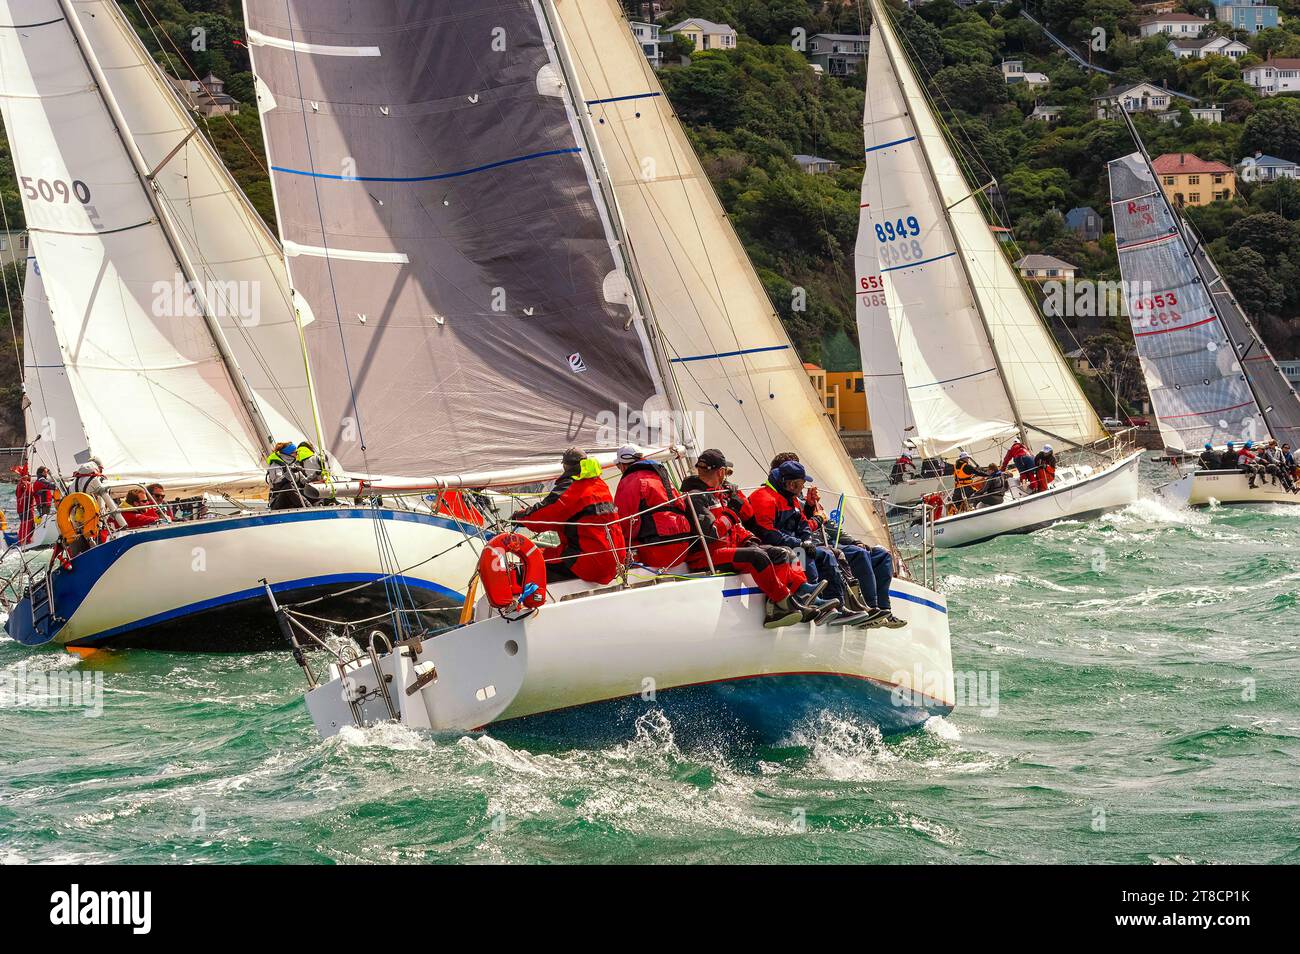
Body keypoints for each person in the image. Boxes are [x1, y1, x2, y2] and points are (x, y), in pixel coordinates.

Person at [679, 463, 814, 628]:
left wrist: (749, 539)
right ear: (721, 472)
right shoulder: (697, 497)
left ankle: (789, 600)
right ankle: (788, 601)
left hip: (730, 548)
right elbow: (711, 535)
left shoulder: (720, 495)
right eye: (726, 473)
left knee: (784, 553)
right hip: (706, 555)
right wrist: (732, 511)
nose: (727, 477)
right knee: (767, 556)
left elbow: (742, 523)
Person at [514, 448, 625, 585]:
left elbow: (543, 516)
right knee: (548, 553)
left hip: (590, 561)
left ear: (565, 466)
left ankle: (530, 602)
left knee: (530, 563)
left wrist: (520, 517)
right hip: (615, 559)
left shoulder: (571, 488)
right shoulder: (600, 484)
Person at [613, 444, 695, 570]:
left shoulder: (630, 480)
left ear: (623, 465)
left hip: (657, 553)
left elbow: (624, 522)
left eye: (618, 466)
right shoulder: (662, 476)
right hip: (684, 548)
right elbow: (680, 506)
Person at [71, 457, 126, 531]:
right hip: (98, 522)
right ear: (99, 468)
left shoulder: (73, 483)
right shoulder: (98, 480)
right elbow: (109, 496)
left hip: (79, 522)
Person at [266, 442, 319, 510]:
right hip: (278, 501)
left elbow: (303, 481)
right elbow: (277, 482)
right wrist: (291, 472)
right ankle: (308, 508)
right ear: (288, 453)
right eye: (295, 452)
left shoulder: (293, 465)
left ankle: (325, 504)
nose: (297, 454)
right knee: (288, 487)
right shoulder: (275, 465)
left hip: (293, 499)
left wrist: (315, 474)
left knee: (312, 489)